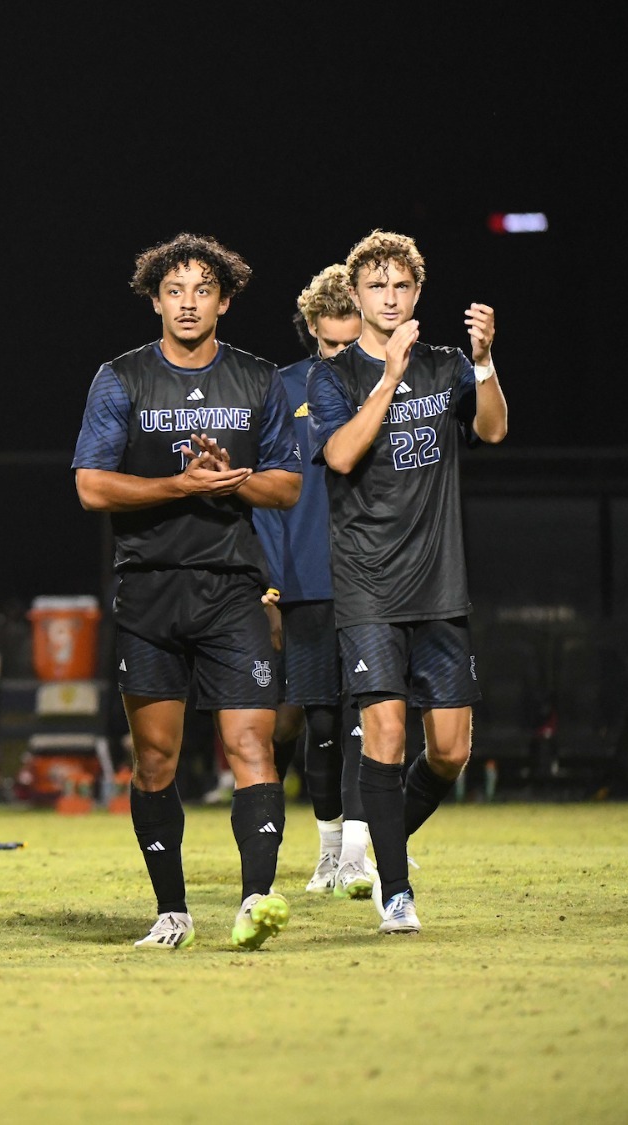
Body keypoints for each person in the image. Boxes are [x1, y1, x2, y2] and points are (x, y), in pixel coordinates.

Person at [71, 233, 300, 952]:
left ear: (224, 301)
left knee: (250, 744)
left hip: (233, 589)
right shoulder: (121, 378)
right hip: (149, 590)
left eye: (204, 290)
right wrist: (179, 484)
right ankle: (172, 910)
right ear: (156, 300)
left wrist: (231, 479)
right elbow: (90, 486)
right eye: (175, 290)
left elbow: (288, 487)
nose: (189, 303)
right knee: (156, 759)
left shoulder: (260, 379)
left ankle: (255, 900)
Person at [309, 230, 508, 935]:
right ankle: (395, 892)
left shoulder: (447, 364)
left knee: (451, 750)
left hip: (440, 585)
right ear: (356, 293)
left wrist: (484, 364)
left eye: (401, 285)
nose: (389, 297)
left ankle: (380, 843)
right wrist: (388, 376)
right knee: (386, 735)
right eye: (377, 286)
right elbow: (340, 455)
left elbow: (493, 430)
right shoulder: (334, 375)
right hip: (369, 586)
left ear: (417, 292)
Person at [251, 265, 369, 897]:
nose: (339, 356)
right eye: (329, 344)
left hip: (377, 578)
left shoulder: (390, 387)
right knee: (320, 724)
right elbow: (266, 495)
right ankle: (329, 848)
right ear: (311, 332)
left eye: (351, 344)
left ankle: (358, 853)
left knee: (369, 719)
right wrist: (270, 588)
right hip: (307, 582)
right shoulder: (282, 388)